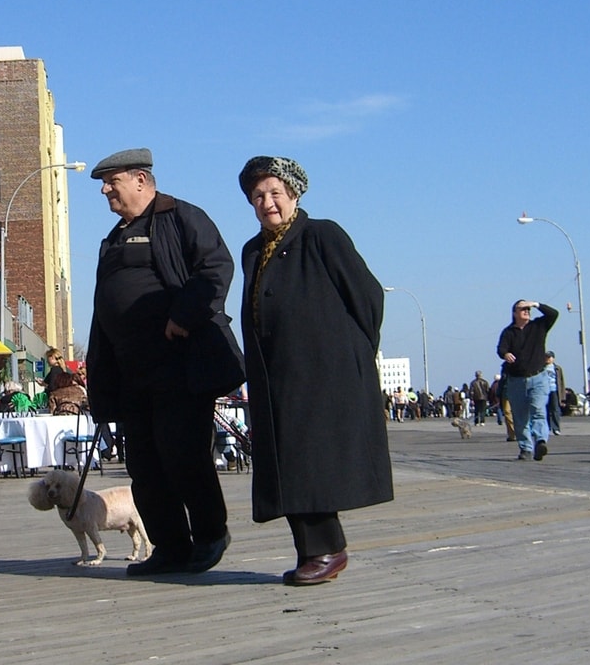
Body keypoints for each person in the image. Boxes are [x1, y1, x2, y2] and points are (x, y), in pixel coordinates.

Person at [85, 147, 244, 577]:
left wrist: (183, 316)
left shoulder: (180, 217)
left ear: (140, 179)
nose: (104, 190)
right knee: (145, 466)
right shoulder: (114, 237)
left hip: (179, 366)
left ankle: (210, 535)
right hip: (131, 373)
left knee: (183, 455)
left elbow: (215, 269)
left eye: (112, 182)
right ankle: (170, 547)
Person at [237, 155, 393, 587]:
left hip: (323, 373)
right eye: (258, 196)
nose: (267, 203)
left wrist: (351, 353)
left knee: (312, 460)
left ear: (294, 195)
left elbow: (367, 296)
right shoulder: (253, 250)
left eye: (275, 193)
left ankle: (327, 550)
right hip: (276, 376)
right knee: (288, 462)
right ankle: (311, 552)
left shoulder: (322, 235)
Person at [497, 300, 558, 461]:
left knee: (538, 410)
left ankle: (541, 441)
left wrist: (537, 304)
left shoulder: (538, 326)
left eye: (528, 309)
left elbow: (554, 314)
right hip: (516, 381)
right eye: (522, 309)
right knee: (520, 417)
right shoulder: (509, 332)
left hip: (538, 378)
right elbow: (501, 348)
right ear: (514, 313)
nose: (526, 311)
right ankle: (526, 448)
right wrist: (505, 354)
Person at [544, 351, 565, 435]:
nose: (547, 359)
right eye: (546, 357)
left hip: (554, 390)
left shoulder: (557, 368)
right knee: (545, 409)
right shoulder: (541, 367)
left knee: (555, 410)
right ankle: (547, 427)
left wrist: (563, 396)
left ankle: (556, 428)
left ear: (553, 358)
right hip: (544, 391)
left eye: (549, 357)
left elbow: (561, 382)